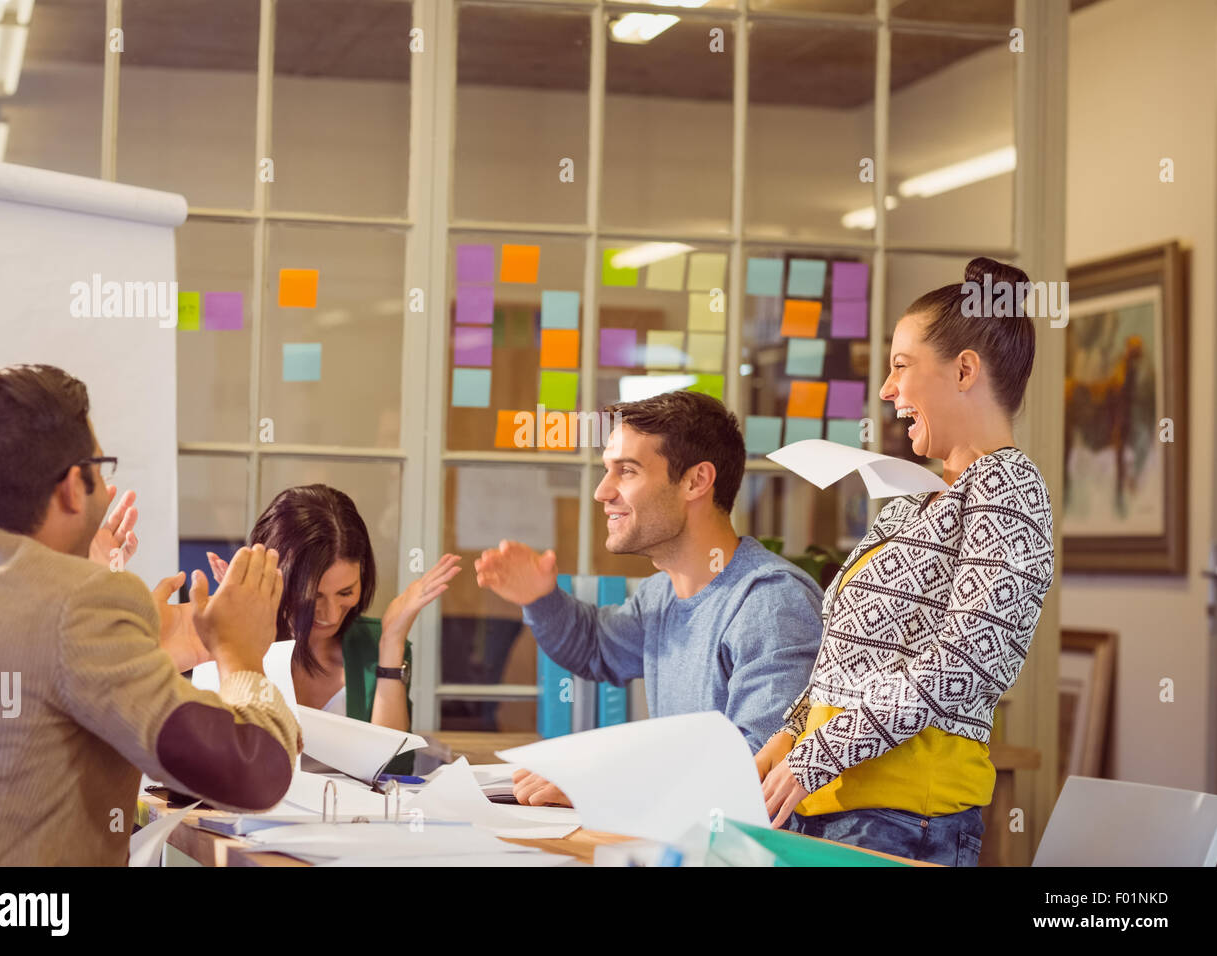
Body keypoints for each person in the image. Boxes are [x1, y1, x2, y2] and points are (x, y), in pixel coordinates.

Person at [0, 364, 300, 865]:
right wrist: (241, 655)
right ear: (74, 487)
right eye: (101, 467)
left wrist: (91, 587)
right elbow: (253, 774)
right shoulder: (81, 603)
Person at [758, 258, 1056, 866]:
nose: (888, 391)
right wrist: (787, 737)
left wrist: (816, 754)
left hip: (903, 822)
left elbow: (964, 665)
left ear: (965, 369)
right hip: (833, 809)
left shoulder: (1009, 489)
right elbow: (849, 658)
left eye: (900, 367)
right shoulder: (921, 498)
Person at [474, 389, 824, 807]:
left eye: (626, 471)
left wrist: (600, 786)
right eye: (608, 470)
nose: (602, 492)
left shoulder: (769, 602)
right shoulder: (660, 593)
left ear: (696, 481)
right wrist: (541, 598)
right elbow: (596, 647)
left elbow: (756, 771)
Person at [193, 485, 460, 773]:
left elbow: (394, 772)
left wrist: (392, 640)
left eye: (345, 593)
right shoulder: (232, 638)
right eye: (313, 596)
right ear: (273, 575)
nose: (331, 615)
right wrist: (235, 639)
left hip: (354, 817)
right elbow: (219, 762)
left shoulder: (374, 645)